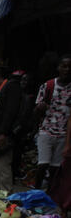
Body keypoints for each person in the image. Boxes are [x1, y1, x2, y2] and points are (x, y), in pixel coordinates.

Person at [34, 55, 71, 189]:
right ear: (58, 68)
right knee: (42, 164)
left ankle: (50, 193)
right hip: (46, 131)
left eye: (69, 67)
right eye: (64, 66)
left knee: (56, 169)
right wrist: (40, 108)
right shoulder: (48, 86)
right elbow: (36, 110)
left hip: (63, 135)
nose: (67, 70)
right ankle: (36, 191)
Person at [0, 65, 23, 191]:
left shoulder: (11, 87)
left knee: (3, 167)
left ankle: (6, 194)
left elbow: (10, 112)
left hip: (2, 135)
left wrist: (3, 133)